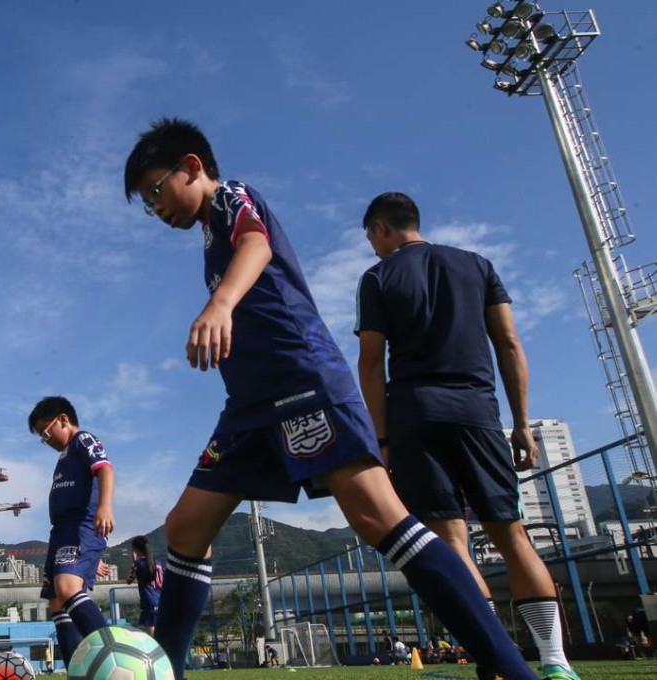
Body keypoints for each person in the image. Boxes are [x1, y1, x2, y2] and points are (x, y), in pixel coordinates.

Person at [123, 118, 536, 680]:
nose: (156, 208)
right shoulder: (207, 236)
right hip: (248, 407)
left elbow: (257, 243)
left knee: (378, 517)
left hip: (300, 381)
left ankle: (514, 670)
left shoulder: (232, 199)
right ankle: (165, 671)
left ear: (191, 167)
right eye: (146, 204)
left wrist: (221, 305)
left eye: (154, 191)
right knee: (185, 528)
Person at [354, 191, 580, 680]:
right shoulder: (478, 265)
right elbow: (509, 343)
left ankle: (498, 663)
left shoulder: (377, 277)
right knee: (511, 534)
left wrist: (381, 439)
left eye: (370, 236)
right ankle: (557, 663)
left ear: (381, 229)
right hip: (479, 411)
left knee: (452, 538)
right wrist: (521, 422)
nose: (372, 245)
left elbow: (371, 361)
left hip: (415, 415)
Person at [28, 396, 115, 670]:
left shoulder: (82, 439)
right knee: (56, 602)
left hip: (82, 525)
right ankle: (77, 671)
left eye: (46, 432)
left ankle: (116, 659)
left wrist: (105, 507)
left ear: (63, 419)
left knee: (67, 589)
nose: (46, 440)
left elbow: (105, 469)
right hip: (61, 533)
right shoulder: (64, 455)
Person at [125, 535, 162, 637]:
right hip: (161, 599)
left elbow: (129, 580)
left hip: (149, 600)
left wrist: (133, 561)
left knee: (152, 632)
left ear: (135, 549)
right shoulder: (158, 562)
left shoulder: (138, 563)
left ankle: (157, 651)